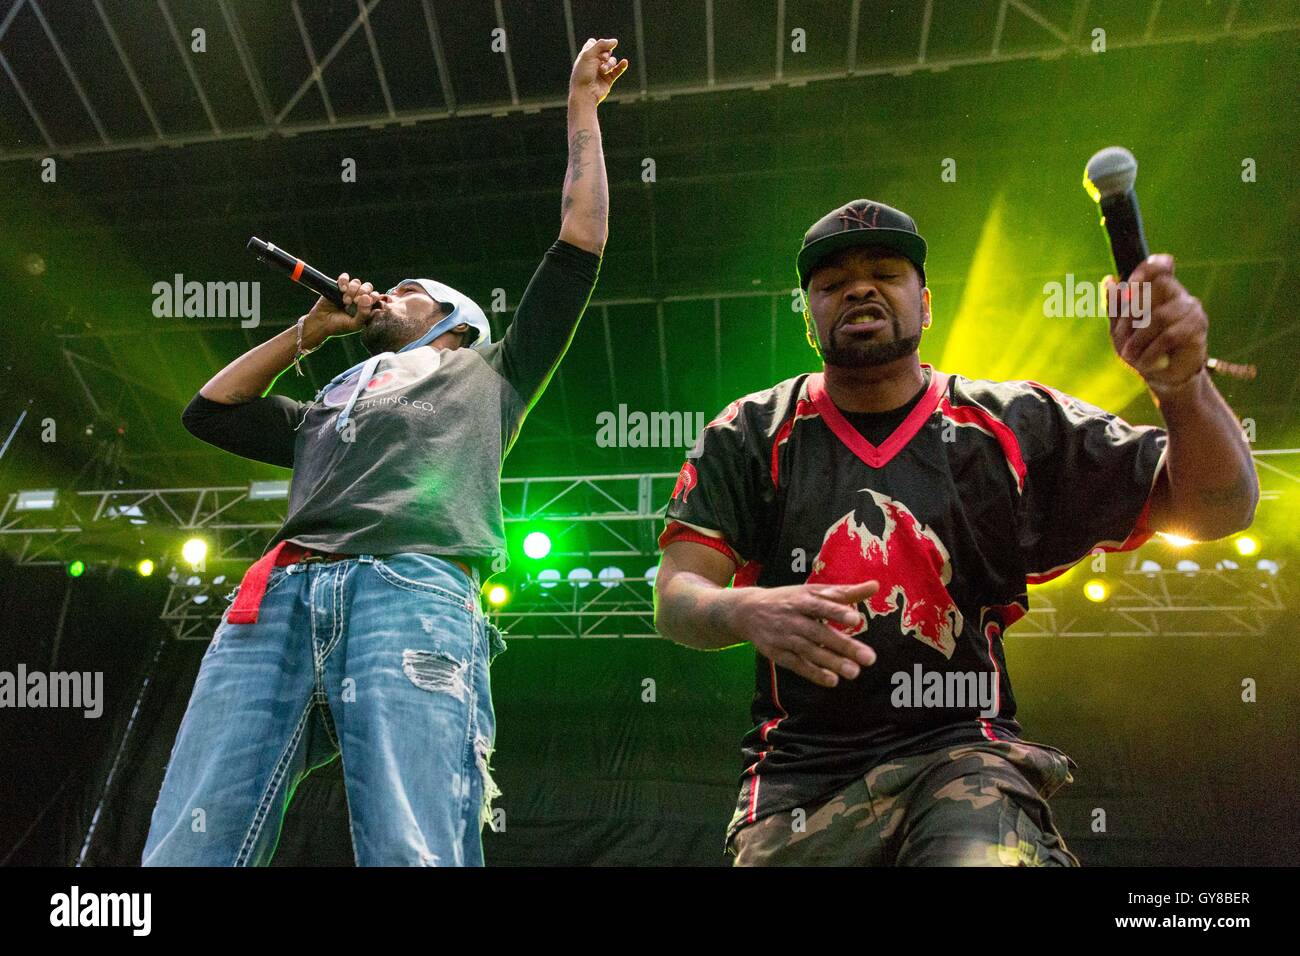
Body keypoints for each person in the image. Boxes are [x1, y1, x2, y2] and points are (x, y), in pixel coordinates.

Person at [653, 199, 1258, 866]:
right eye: (830, 283)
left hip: (962, 755)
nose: (859, 288)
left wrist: (1183, 388)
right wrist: (739, 607)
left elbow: (1218, 508)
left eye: (886, 271)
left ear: (927, 303)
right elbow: (677, 594)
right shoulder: (747, 435)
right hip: (799, 782)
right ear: (807, 317)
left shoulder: (1014, 424)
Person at [142, 39, 629, 867]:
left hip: (412, 585)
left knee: (412, 840)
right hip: (279, 597)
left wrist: (582, 107)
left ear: (455, 322)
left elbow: (580, 239)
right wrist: (312, 329)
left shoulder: (493, 371)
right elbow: (210, 412)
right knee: (196, 835)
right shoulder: (328, 405)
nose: (388, 292)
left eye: (411, 291)